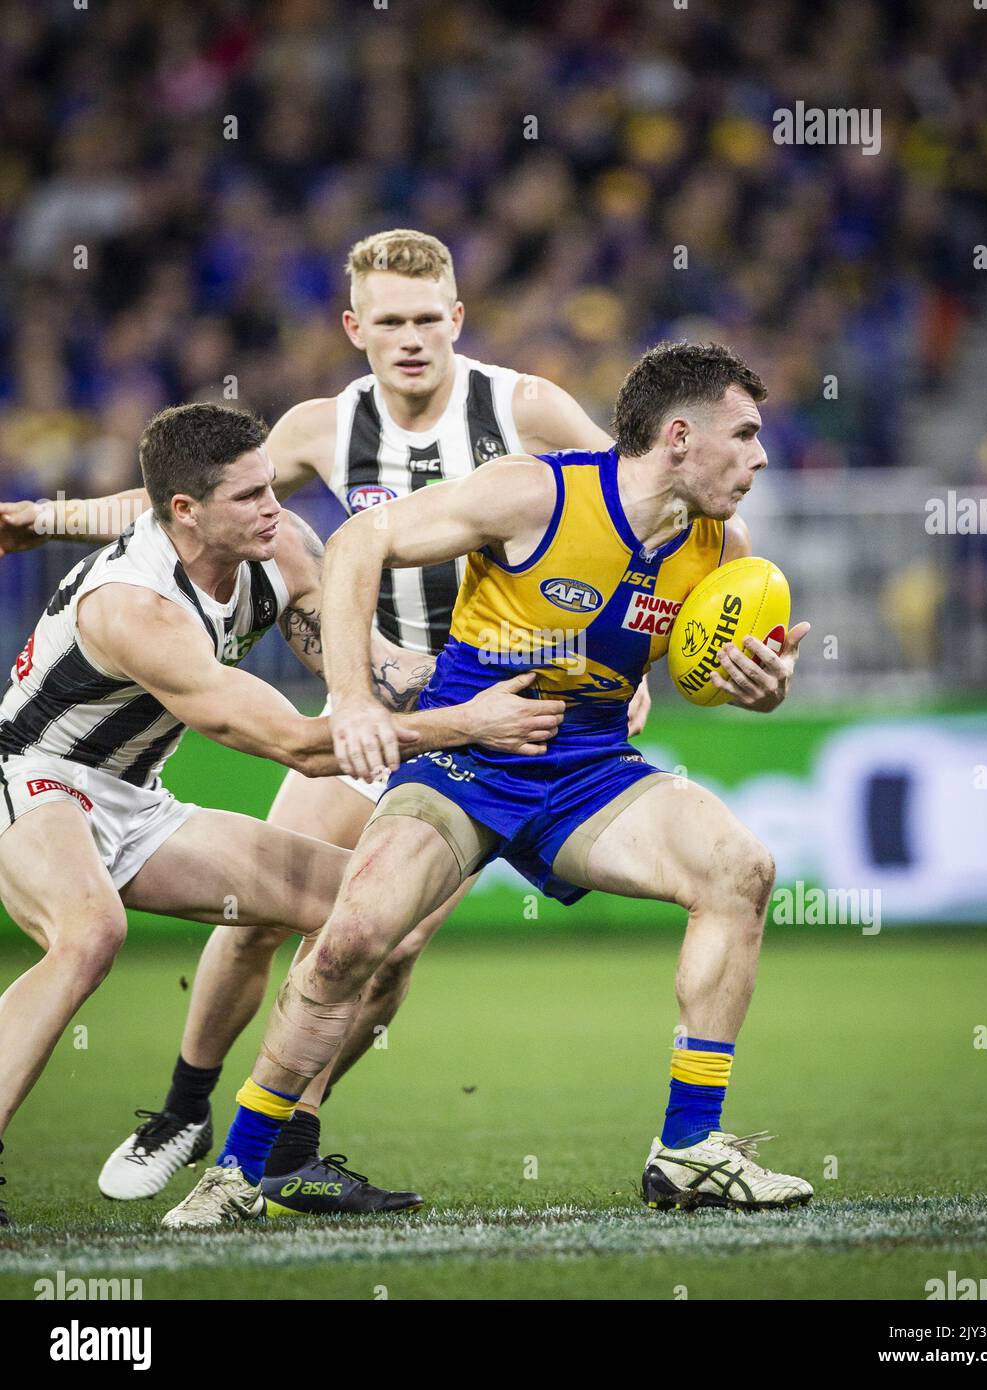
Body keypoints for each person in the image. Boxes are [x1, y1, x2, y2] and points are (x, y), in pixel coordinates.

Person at [0, 228, 637, 1215]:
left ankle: (285, 1144)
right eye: (391, 321)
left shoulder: (516, 412)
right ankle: (183, 1105)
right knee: (111, 933)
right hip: (57, 774)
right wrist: (453, 713)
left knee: (375, 927)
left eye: (430, 319)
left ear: (458, 319)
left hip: (303, 739)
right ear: (354, 328)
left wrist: (609, 662)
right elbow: (183, 512)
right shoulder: (173, 579)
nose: (413, 339)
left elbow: (628, 518)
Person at [163, 341, 814, 1230]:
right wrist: (350, 695)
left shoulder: (722, 547)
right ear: (677, 437)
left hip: (587, 768)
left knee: (738, 868)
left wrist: (761, 687)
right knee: (354, 940)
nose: (760, 456)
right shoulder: (536, 492)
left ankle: (688, 1151)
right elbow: (361, 539)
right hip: (467, 757)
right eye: (743, 435)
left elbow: (710, 667)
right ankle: (240, 1171)